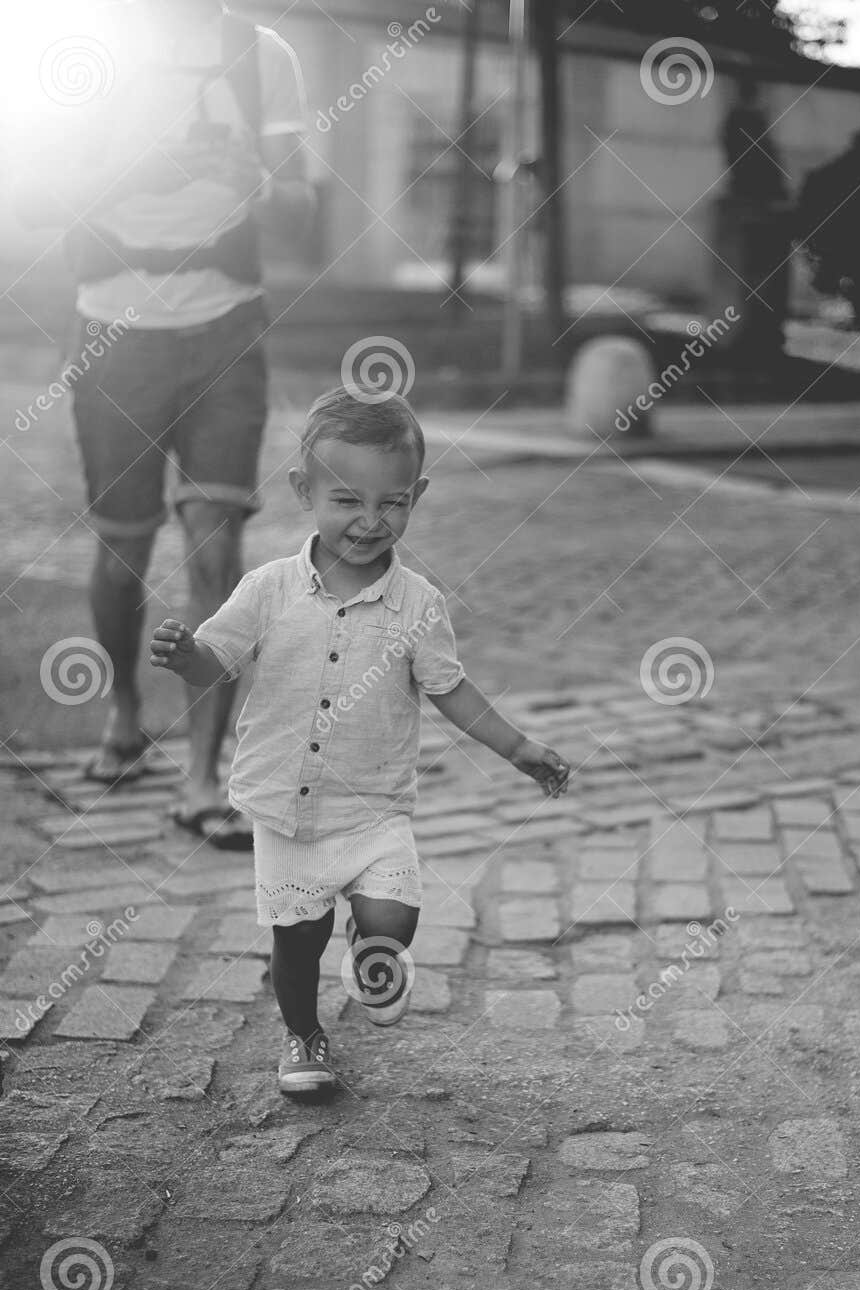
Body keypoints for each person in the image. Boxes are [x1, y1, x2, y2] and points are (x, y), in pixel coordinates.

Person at [148, 387, 571, 1094]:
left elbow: (452, 690)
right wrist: (184, 653)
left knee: (391, 917)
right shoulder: (268, 589)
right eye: (347, 501)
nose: (371, 522)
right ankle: (303, 1038)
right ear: (303, 490)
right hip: (286, 808)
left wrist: (520, 748)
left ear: (418, 495)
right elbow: (215, 663)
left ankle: (369, 952)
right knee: (297, 939)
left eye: (392, 502)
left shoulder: (419, 605)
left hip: (375, 808)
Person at [18, 0, 313, 846]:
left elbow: (299, 209)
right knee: (122, 556)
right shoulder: (85, 53)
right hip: (115, 334)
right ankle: (121, 710)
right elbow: (31, 197)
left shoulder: (260, 55)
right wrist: (143, 172)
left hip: (228, 329)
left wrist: (254, 175)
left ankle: (202, 777)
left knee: (216, 549)